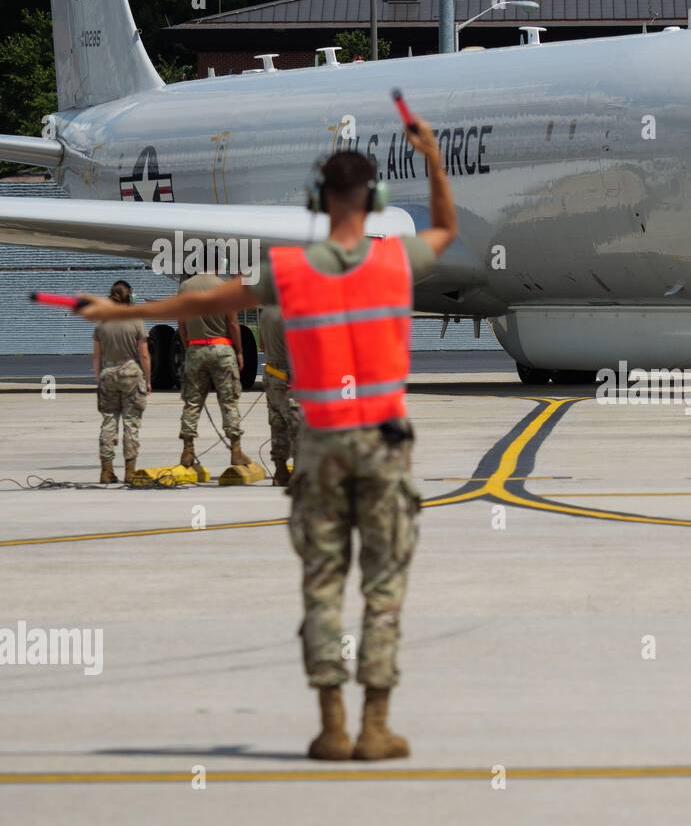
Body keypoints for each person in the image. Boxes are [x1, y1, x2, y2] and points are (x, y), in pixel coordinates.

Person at [77, 112, 458, 762]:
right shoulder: (397, 261)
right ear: (376, 202)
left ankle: (332, 724)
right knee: (384, 585)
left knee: (322, 581)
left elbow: (198, 302)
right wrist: (432, 158)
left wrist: (127, 310)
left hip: (322, 441)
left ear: (316, 201)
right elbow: (447, 228)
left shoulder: (290, 271)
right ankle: (376, 723)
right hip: (384, 443)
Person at [177, 266, 249, 469]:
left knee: (192, 403)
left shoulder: (185, 287)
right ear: (217, 266)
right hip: (222, 347)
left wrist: (188, 347)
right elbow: (233, 323)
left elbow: (181, 323)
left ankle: (187, 451)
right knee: (229, 402)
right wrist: (240, 351)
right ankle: (236, 451)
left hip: (195, 347)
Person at [92, 280, 150, 483]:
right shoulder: (135, 320)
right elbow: (144, 355)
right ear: (130, 298)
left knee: (108, 422)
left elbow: (96, 356)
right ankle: (130, 471)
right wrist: (148, 380)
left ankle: (106, 470)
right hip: (131, 374)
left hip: (108, 374)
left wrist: (99, 377)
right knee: (131, 424)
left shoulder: (102, 321)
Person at [259, 304, 299, 486]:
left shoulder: (266, 312)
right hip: (290, 374)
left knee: (277, 423)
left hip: (272, 374)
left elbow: (261, 344)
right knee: (297, 424)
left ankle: (280, 471)